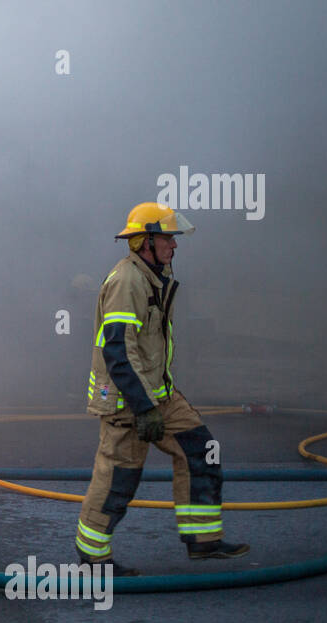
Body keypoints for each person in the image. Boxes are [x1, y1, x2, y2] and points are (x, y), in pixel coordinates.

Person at [75, 202, 249, 575]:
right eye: (168, 237)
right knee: (119, 476)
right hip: (127, 400)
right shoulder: (127, 282)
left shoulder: (153, 277)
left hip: (157, 394)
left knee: (201, 449)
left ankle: (204, 541)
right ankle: (93, 556)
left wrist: (156, 400)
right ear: (145, 242)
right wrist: (144, 407)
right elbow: (119, 350)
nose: (175, 245)